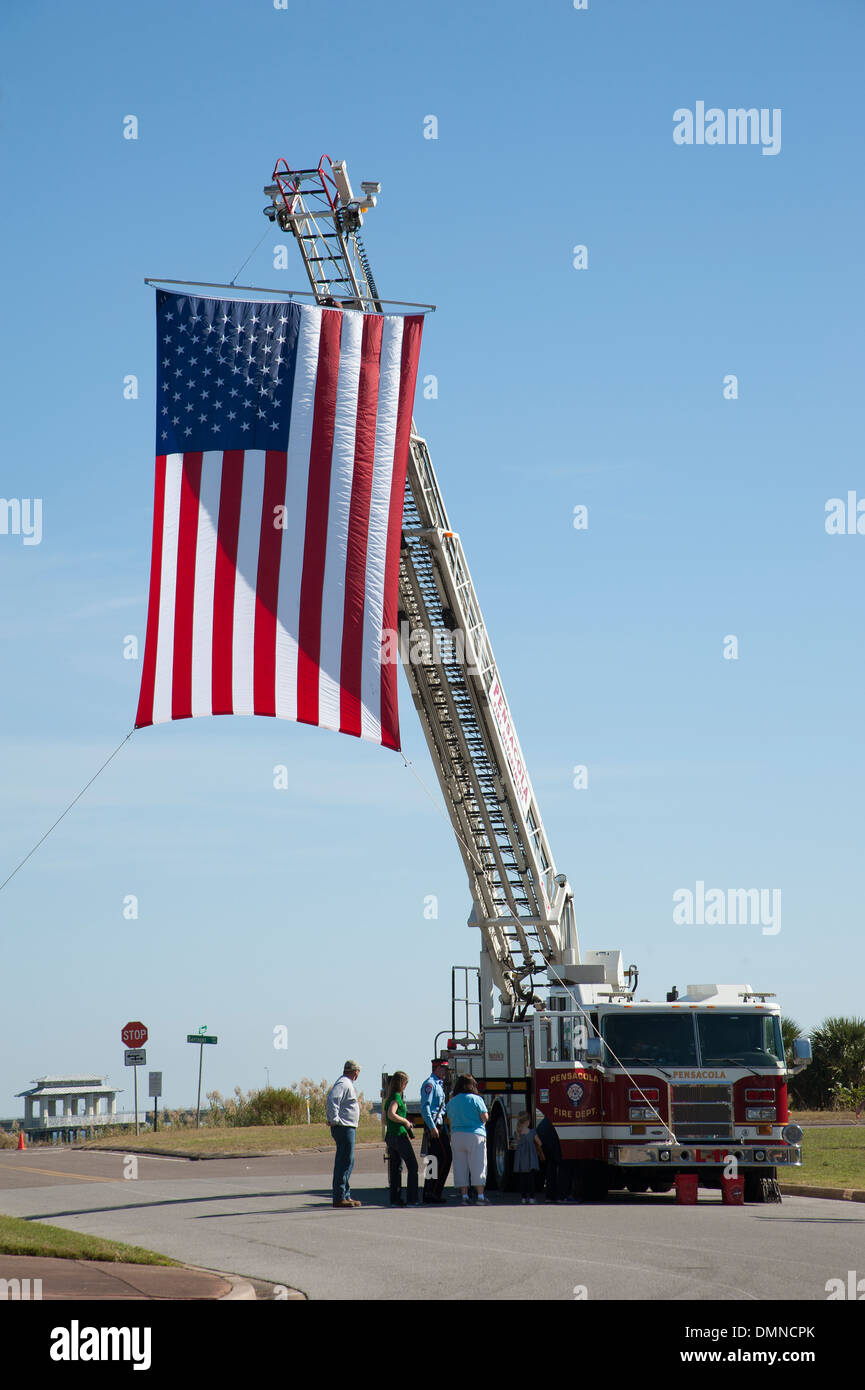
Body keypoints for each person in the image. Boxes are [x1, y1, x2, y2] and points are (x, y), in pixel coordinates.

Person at [446, 1074, 489, 1205]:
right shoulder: (476, 1099)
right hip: (475, 1135)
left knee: (460, 1166)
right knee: (478, 1165)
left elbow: (449, 1117)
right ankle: (480, 1196)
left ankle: (464, 1196)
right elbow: (485, 1117)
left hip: (457, 1135)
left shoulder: (452, 1101)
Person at [326, 1060, 361, 1208]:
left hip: (348, 1127)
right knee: (344, 1161)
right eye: (358, 1071)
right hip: (344, 1127)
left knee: (348, 1161)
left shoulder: (346, 1083)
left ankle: (345, 1195)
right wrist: (334, 1120)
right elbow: (333, 1099)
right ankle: (340, 1197)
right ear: (355, 1071)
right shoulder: (344, 1083)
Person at [384, 1071, 419, 1207]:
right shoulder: (397, 1098)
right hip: (399, 1135)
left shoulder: (388, 1098)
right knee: (412, 1165)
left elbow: (384, 1119)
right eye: (405, 1083)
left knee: (395, 1168)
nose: (405, 1086)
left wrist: (393, 1123)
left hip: (390, 1136)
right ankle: (412, 1199)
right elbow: (391, 1114)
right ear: (401, 1084)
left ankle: (395, 1199)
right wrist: (405, 1122)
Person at [420, 1059, 452, 1204]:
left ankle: (429, 1192)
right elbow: (425, 1107)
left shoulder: (438, 1084)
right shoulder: (430, 1084)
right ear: (436, 1068)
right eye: (443, 1068)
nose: (445, 1071)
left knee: (433, 1160)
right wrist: (432, 1127)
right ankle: (433, 1191)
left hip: (438, 1125)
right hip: (435, 1126)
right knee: (445, 1157)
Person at [512, 1111, 544, 1203]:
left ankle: (523, 1197)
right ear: (527, 1122)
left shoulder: (517, 1133)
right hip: (531, 1158)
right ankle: (532, 1198)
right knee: (531, 1179)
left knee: (523, 1179)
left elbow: (515, 1144)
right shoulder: (532, 1132)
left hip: (521, 1159)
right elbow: (539, 1143)